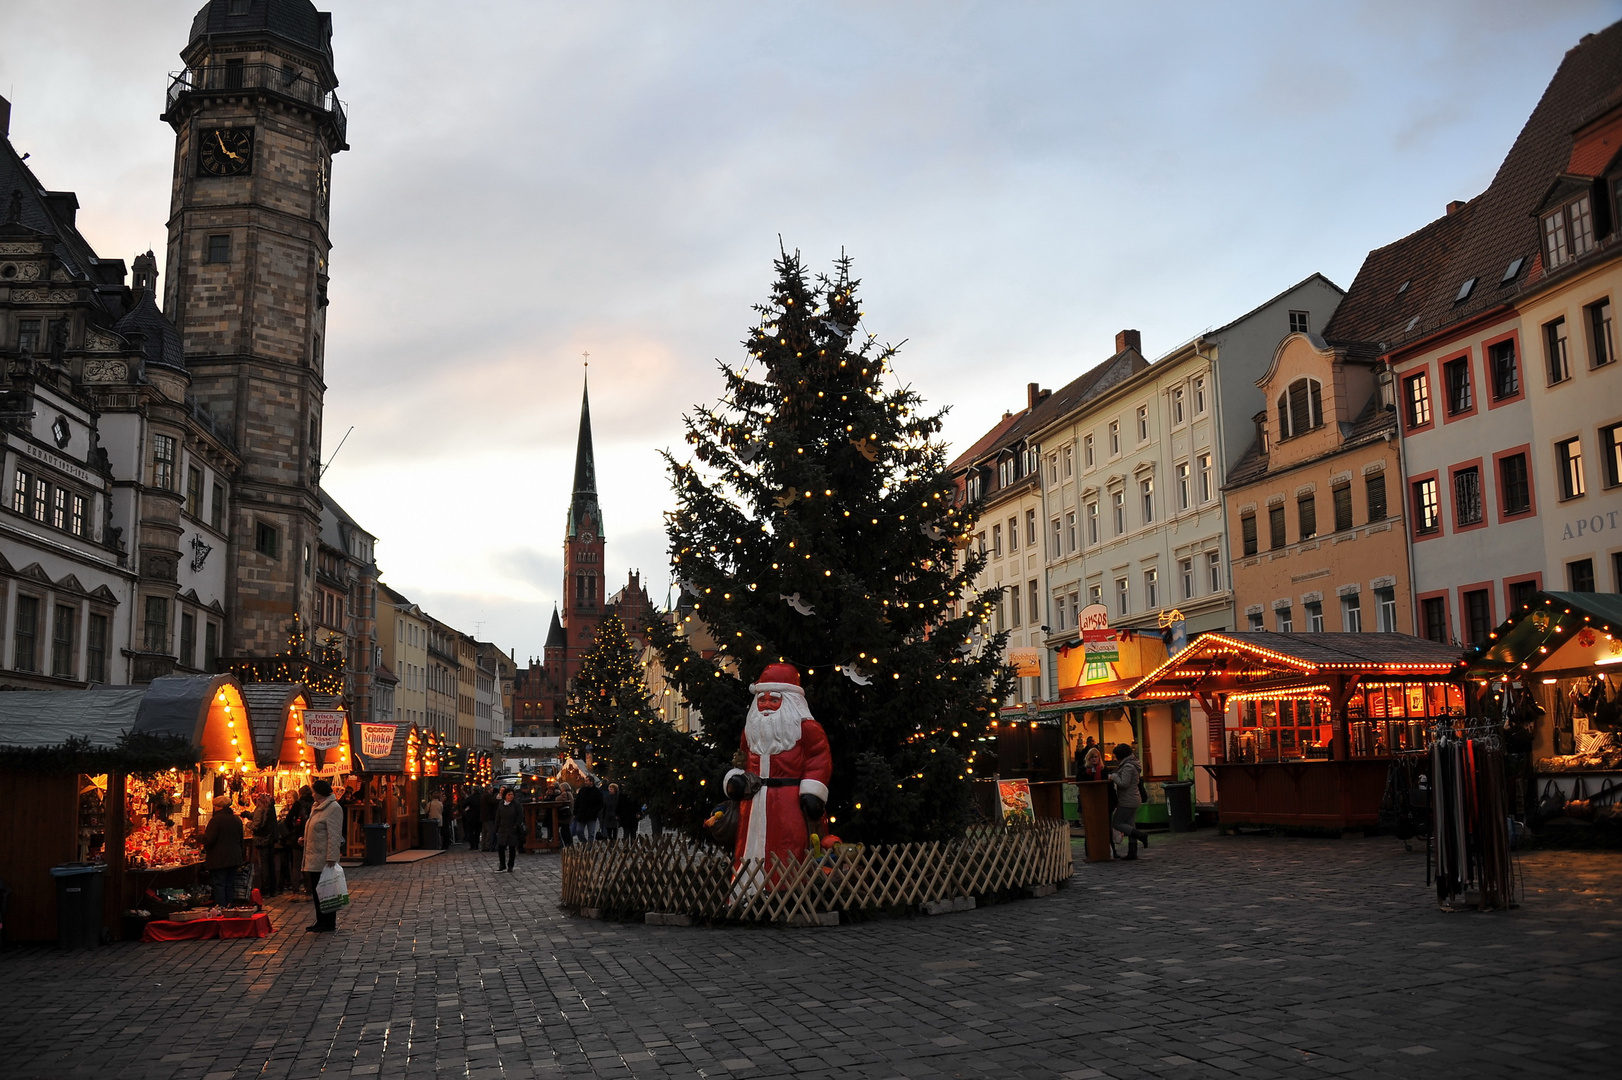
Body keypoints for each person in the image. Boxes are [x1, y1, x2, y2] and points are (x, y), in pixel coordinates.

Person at [722, 662, 832, 874]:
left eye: (774, 700)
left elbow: (819, 758)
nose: (766, 706)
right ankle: (749, 890)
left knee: (790, 845)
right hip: (754, 803)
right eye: (762, 700)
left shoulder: (807, 728)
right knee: (750, 847)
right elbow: (742, 759)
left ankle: (787, 892)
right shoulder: (751, 729)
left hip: (788, 801)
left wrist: (812, 792)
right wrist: (737, 779)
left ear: (790, 702)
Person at [301, 778, 346, 932]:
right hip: (313, 856)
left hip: (324, 858)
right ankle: (320, 920)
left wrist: (332, 857)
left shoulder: (333, 808)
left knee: (327, 890)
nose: (312, 794)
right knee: (316, 890)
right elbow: (315, 830)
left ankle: (328, 922)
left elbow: (334, 835)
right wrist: (305, 839)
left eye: (313, 791)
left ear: (319, 793)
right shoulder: (316, 807)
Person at [1109, 743, 1150, 860]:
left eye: (1116, 756)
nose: (1116, 759)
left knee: (1117, 823)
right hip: (1134, 798)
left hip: (1128, 800)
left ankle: (1141, 835)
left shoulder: (1128, 767)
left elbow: (1124, 783)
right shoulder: (1133, 764)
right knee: (1131, 825)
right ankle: (1132, 853)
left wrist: (1113, 776)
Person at [202, 795, 245, 905]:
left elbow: (209, 840)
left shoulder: (216, 820)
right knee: (229, 884)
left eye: (215, 806)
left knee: (219, 884)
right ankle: (229, 907)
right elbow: (241, 840)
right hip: (234, 857)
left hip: (219, 858)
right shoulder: (237, 820)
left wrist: (197, 837)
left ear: (218, 807)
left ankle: (221, 908)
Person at [250, 791, 280, 897]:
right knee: (270, 864)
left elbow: (257, 825)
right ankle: (273, 889)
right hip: (270, 840)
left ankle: (266, 889)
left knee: (264, 865)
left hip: (262, 840)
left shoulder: (260, 809)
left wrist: (248, 825)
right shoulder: (270, 808)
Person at [493, 787, 523, 872]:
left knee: (512, 848)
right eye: (509, 794)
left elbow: (520, 815)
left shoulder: (516, 804)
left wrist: (516, 825)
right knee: (501, 847)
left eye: (512, 794)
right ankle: (502, 865)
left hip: (512, 828)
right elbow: (498, 817)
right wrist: (496, 828)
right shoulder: (501, 804)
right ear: (505, 795)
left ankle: (510, 865)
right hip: (502, 828)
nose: (511, 796)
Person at [573, 776, 604, 843]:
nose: (585, 782)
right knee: (579, 831)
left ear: (591, 782)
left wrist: (595, 811)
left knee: (591, 833)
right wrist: (575, 812)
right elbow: (577, 802)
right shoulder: (582, 790)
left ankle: (589, 848)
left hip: (591, 815)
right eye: (585, 781)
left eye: (587, 781)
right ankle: (584, 843)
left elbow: (600, 803)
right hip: (581, 814)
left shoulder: (597, 792)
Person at [480, 786, 499, 851]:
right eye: (491, 789)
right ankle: (487, 846)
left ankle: (484, 846)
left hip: (484, 816)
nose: (492, 790)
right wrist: (500, 800)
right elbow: (493, 801)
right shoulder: (487, 796)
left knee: (485, 832)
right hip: (488, 816)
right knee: (489, 832)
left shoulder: (484, 795)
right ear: (489, 789)